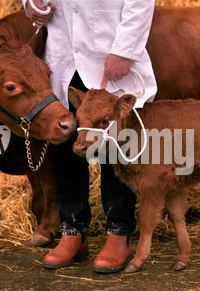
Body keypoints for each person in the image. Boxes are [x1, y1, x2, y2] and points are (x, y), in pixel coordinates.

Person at [22, 0, 157, 273]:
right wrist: (31, 3)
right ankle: (73, 232)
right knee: (64, 140)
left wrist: (124, 49)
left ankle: (119, 234)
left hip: (108, 51)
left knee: (112, 145)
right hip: (62, 55)